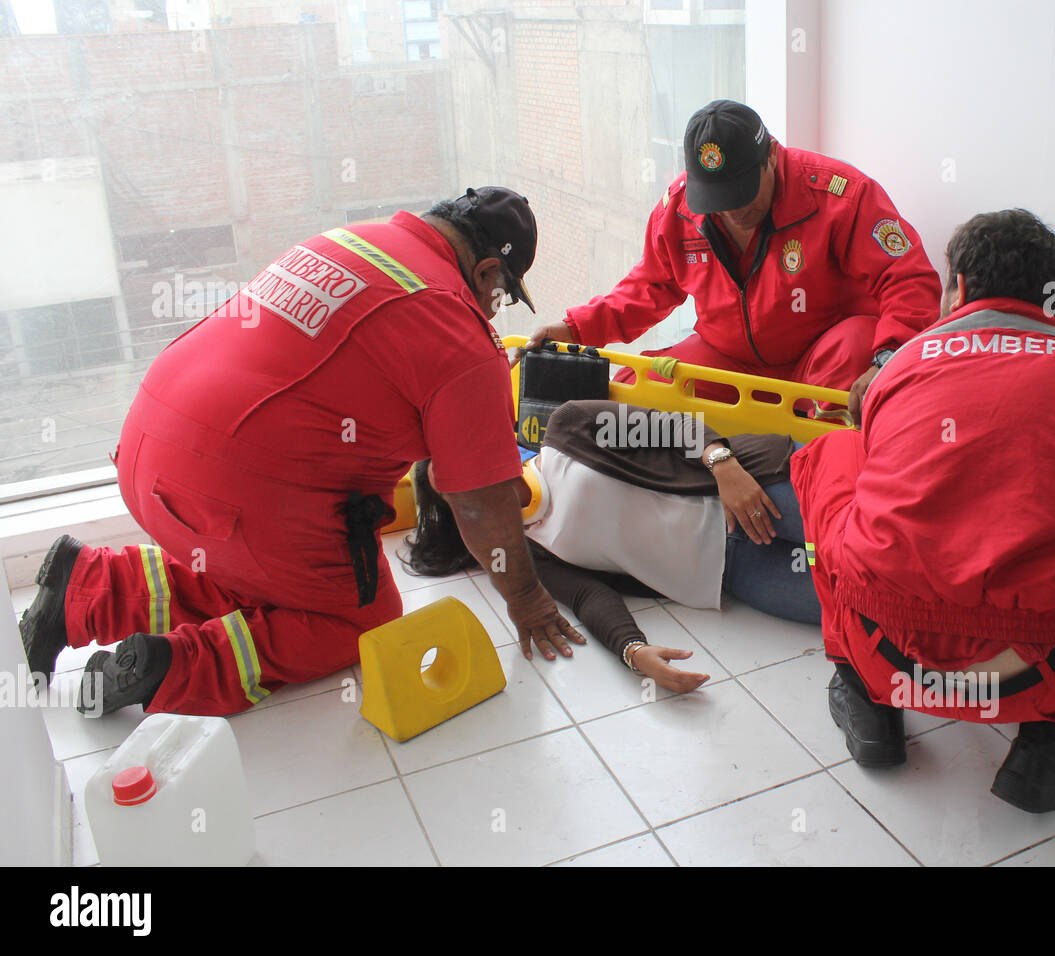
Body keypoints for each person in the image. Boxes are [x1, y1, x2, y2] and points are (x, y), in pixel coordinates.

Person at [19, 187, 582, 717]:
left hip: (149, 451)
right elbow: (480, 505)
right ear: (485, 271)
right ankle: (173, 668)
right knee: (359, 618)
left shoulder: (347, 241)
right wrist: (528, 599)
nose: (492, 307)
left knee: (258, 576)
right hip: (228, 499)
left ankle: (86, 585)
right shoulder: (460, 334)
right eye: (500, 294)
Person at [790, 209, 1055, 812]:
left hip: (887, 650)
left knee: (831, 457)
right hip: (1049, 669)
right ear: (1054, 300)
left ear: (957, 288)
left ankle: (864, 697)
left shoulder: (899, 366)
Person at [524, 100, 942, 421]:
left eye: (742, 194)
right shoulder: (678, 210)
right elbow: (650, 287)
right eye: (717, 201)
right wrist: (577, 328)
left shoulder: (842, 196)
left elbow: (907, 278)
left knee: (857, 354)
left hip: (820, 359)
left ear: (772, 158)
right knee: (637, 387)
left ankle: (815, 470)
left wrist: (887, 359)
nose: (732, 212)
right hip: (730, 363)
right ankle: (708, 469)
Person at [403, 399, 819, 693]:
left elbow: (673, 426)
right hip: (736, 570)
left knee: (873, 546)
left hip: (754, 484)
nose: (475, 489)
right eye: (460, 497)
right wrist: (633, 650)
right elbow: (587, 595)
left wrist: (722, 464)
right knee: (861, 606)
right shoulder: (524, 555)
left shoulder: (568, 426)